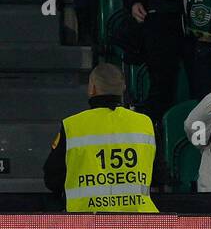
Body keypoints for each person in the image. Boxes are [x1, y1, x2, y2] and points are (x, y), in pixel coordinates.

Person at [44, 63, 159, 212]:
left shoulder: (72, 126)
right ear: (123, 88)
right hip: (139, 224)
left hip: (87, 224)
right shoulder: (145, 123)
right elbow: (158, 176)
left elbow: (52, 179)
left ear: (92, 89)